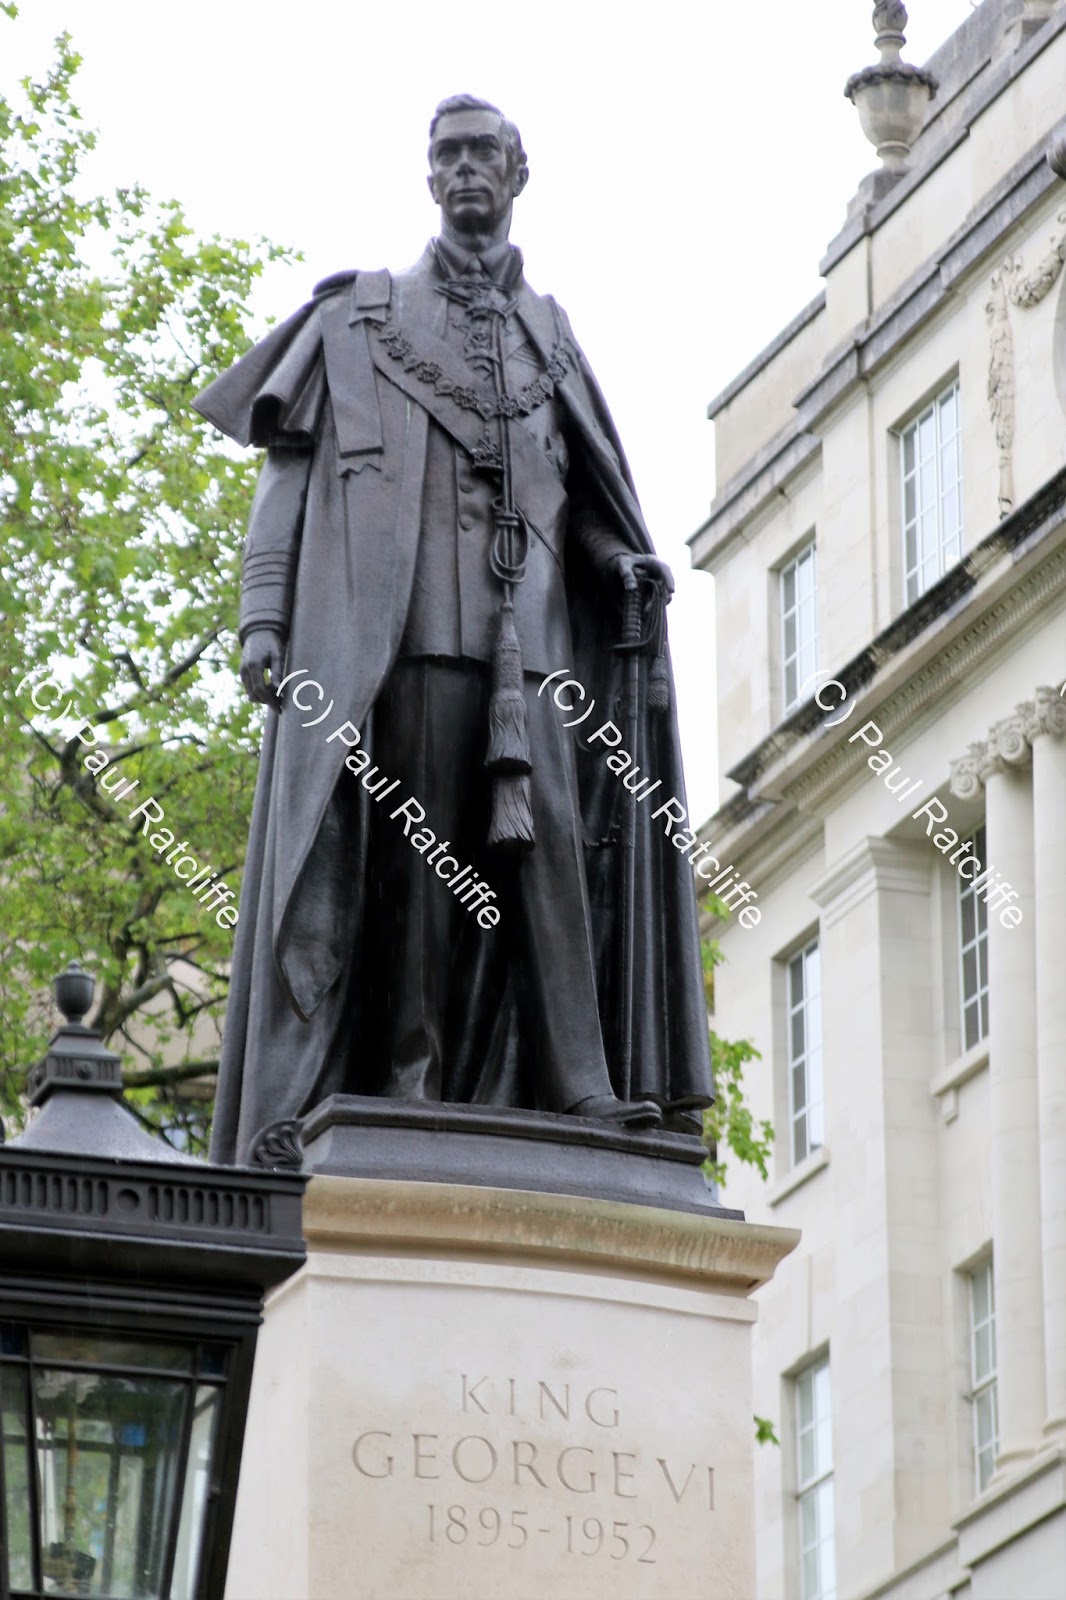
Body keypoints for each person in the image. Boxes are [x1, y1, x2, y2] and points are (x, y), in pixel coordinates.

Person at [195, 94, 713, 1164]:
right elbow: (285, 483)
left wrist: (625, 570)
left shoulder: (551, 337)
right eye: (446, 155)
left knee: (553, 854)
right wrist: (261, 615)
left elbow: (585, 504)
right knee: (421, 861)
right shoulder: (359, 317)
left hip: (538, 656)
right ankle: (412, 1075)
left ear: (519, 174)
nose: (463, 169)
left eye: (482, 152)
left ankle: (580, 1082)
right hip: (418, 639)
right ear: (428, 179)